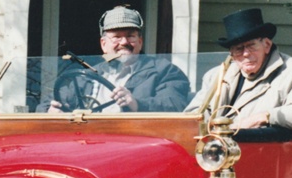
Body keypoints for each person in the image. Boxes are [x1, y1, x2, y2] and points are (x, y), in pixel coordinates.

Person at [185, 8, 292, 134]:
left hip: (266, 159)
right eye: (238, 49)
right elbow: (192, 116)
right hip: (215, 160)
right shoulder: (216, 76)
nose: (245, 54)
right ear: (231, 53)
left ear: (267, 45)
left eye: (251, 46)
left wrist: (267, 116)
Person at [43, 6, 190, 113]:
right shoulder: (87, 76)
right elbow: (47, 103)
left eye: (131, 36)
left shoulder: (164, 71)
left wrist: (137, 104)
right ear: (104, 44)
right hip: (88, 141)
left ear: (140, 41)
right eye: (117, 37)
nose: (124, 42)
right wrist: (50, 111)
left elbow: (177, 105)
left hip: (135, 143)